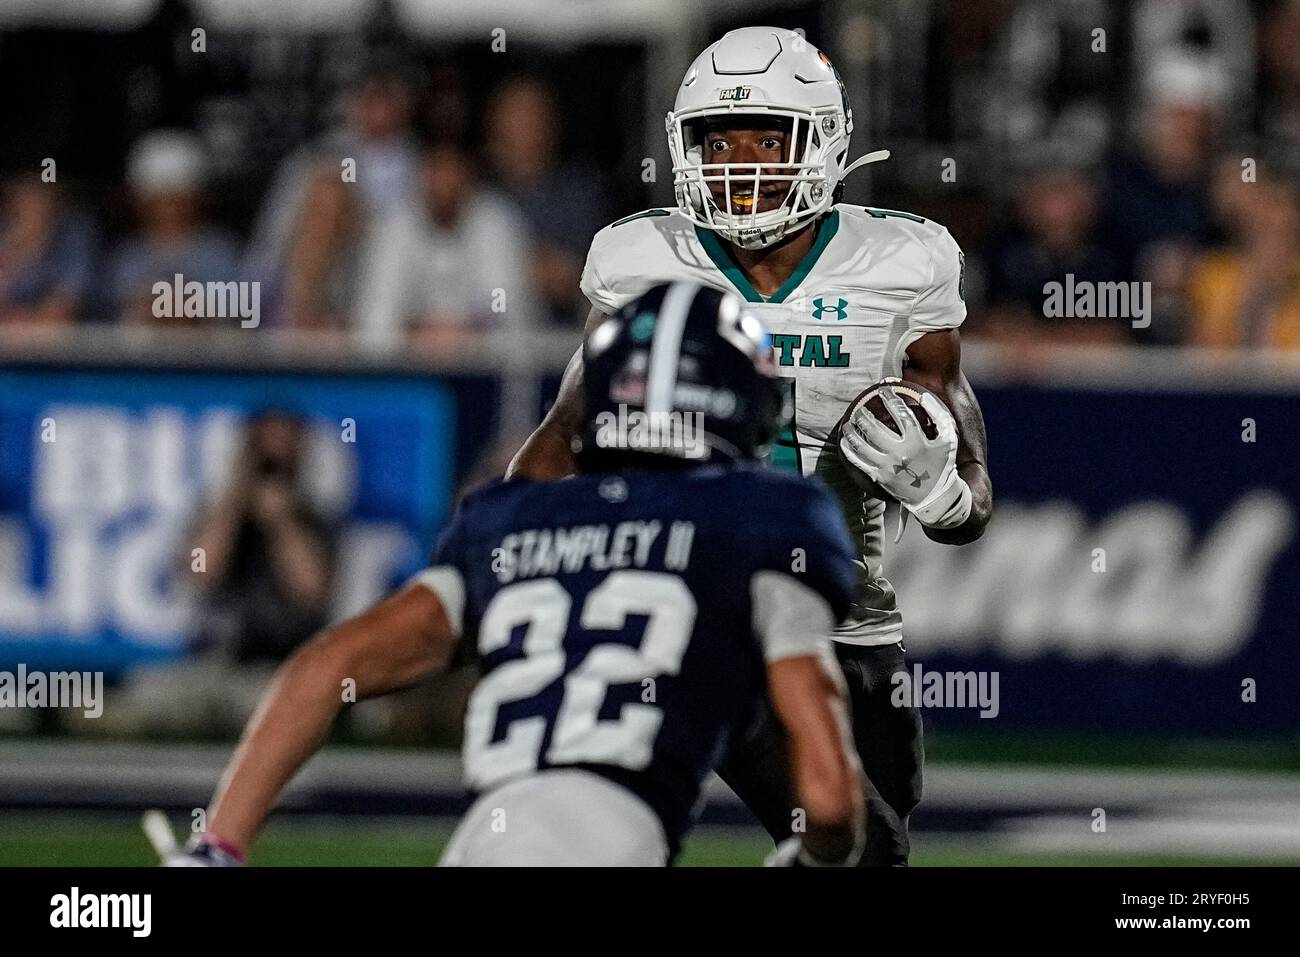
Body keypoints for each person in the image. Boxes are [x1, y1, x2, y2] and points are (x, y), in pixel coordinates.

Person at [507, 27, 995, 866]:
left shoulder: (900, 262)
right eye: (717, 140)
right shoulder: (645, 260)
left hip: (854, 623)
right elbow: (563, 436)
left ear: (824, 139)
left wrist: (943, 489)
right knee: (865, 845)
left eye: (767, 139)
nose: (739, 164)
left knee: (873, 834)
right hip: (706, 608)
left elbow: (970, 500)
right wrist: (517, 540)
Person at [167, 282, 865, 867]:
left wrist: (216, 847)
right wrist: (817, 854)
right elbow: (831, 799)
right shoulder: (766, 518)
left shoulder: (514, 522)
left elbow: (325, 668)